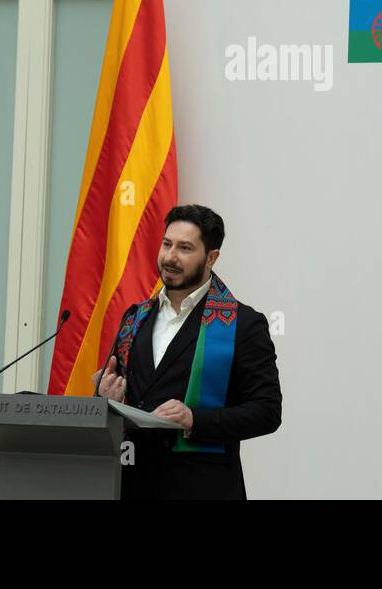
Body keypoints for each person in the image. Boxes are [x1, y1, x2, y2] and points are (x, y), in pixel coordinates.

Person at [93, 204, 281, 499]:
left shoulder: (242, 324)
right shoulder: (134, 318)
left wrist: (196, 419)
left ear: (211, 258)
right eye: (167, 244)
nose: (170, 257)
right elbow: (127, 400)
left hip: (202, 487)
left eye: (185, 248)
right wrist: (106, 398)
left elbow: (268, 411)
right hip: (130, 484)